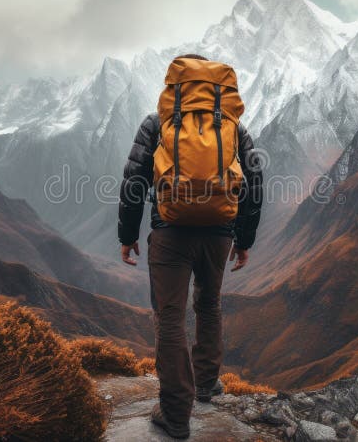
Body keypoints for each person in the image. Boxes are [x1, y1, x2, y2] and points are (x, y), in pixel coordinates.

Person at [118, 54, 263, 439]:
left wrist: (127, 235)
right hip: (219, 232)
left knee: (170, 316)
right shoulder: (233, 127)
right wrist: (244, 239)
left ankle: (175, 413)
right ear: (217, 92)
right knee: (209, 304)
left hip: (169, 231)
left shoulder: (157, 124)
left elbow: (134, 179)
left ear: (175, 89)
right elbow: (254, 180)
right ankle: (206, 384)